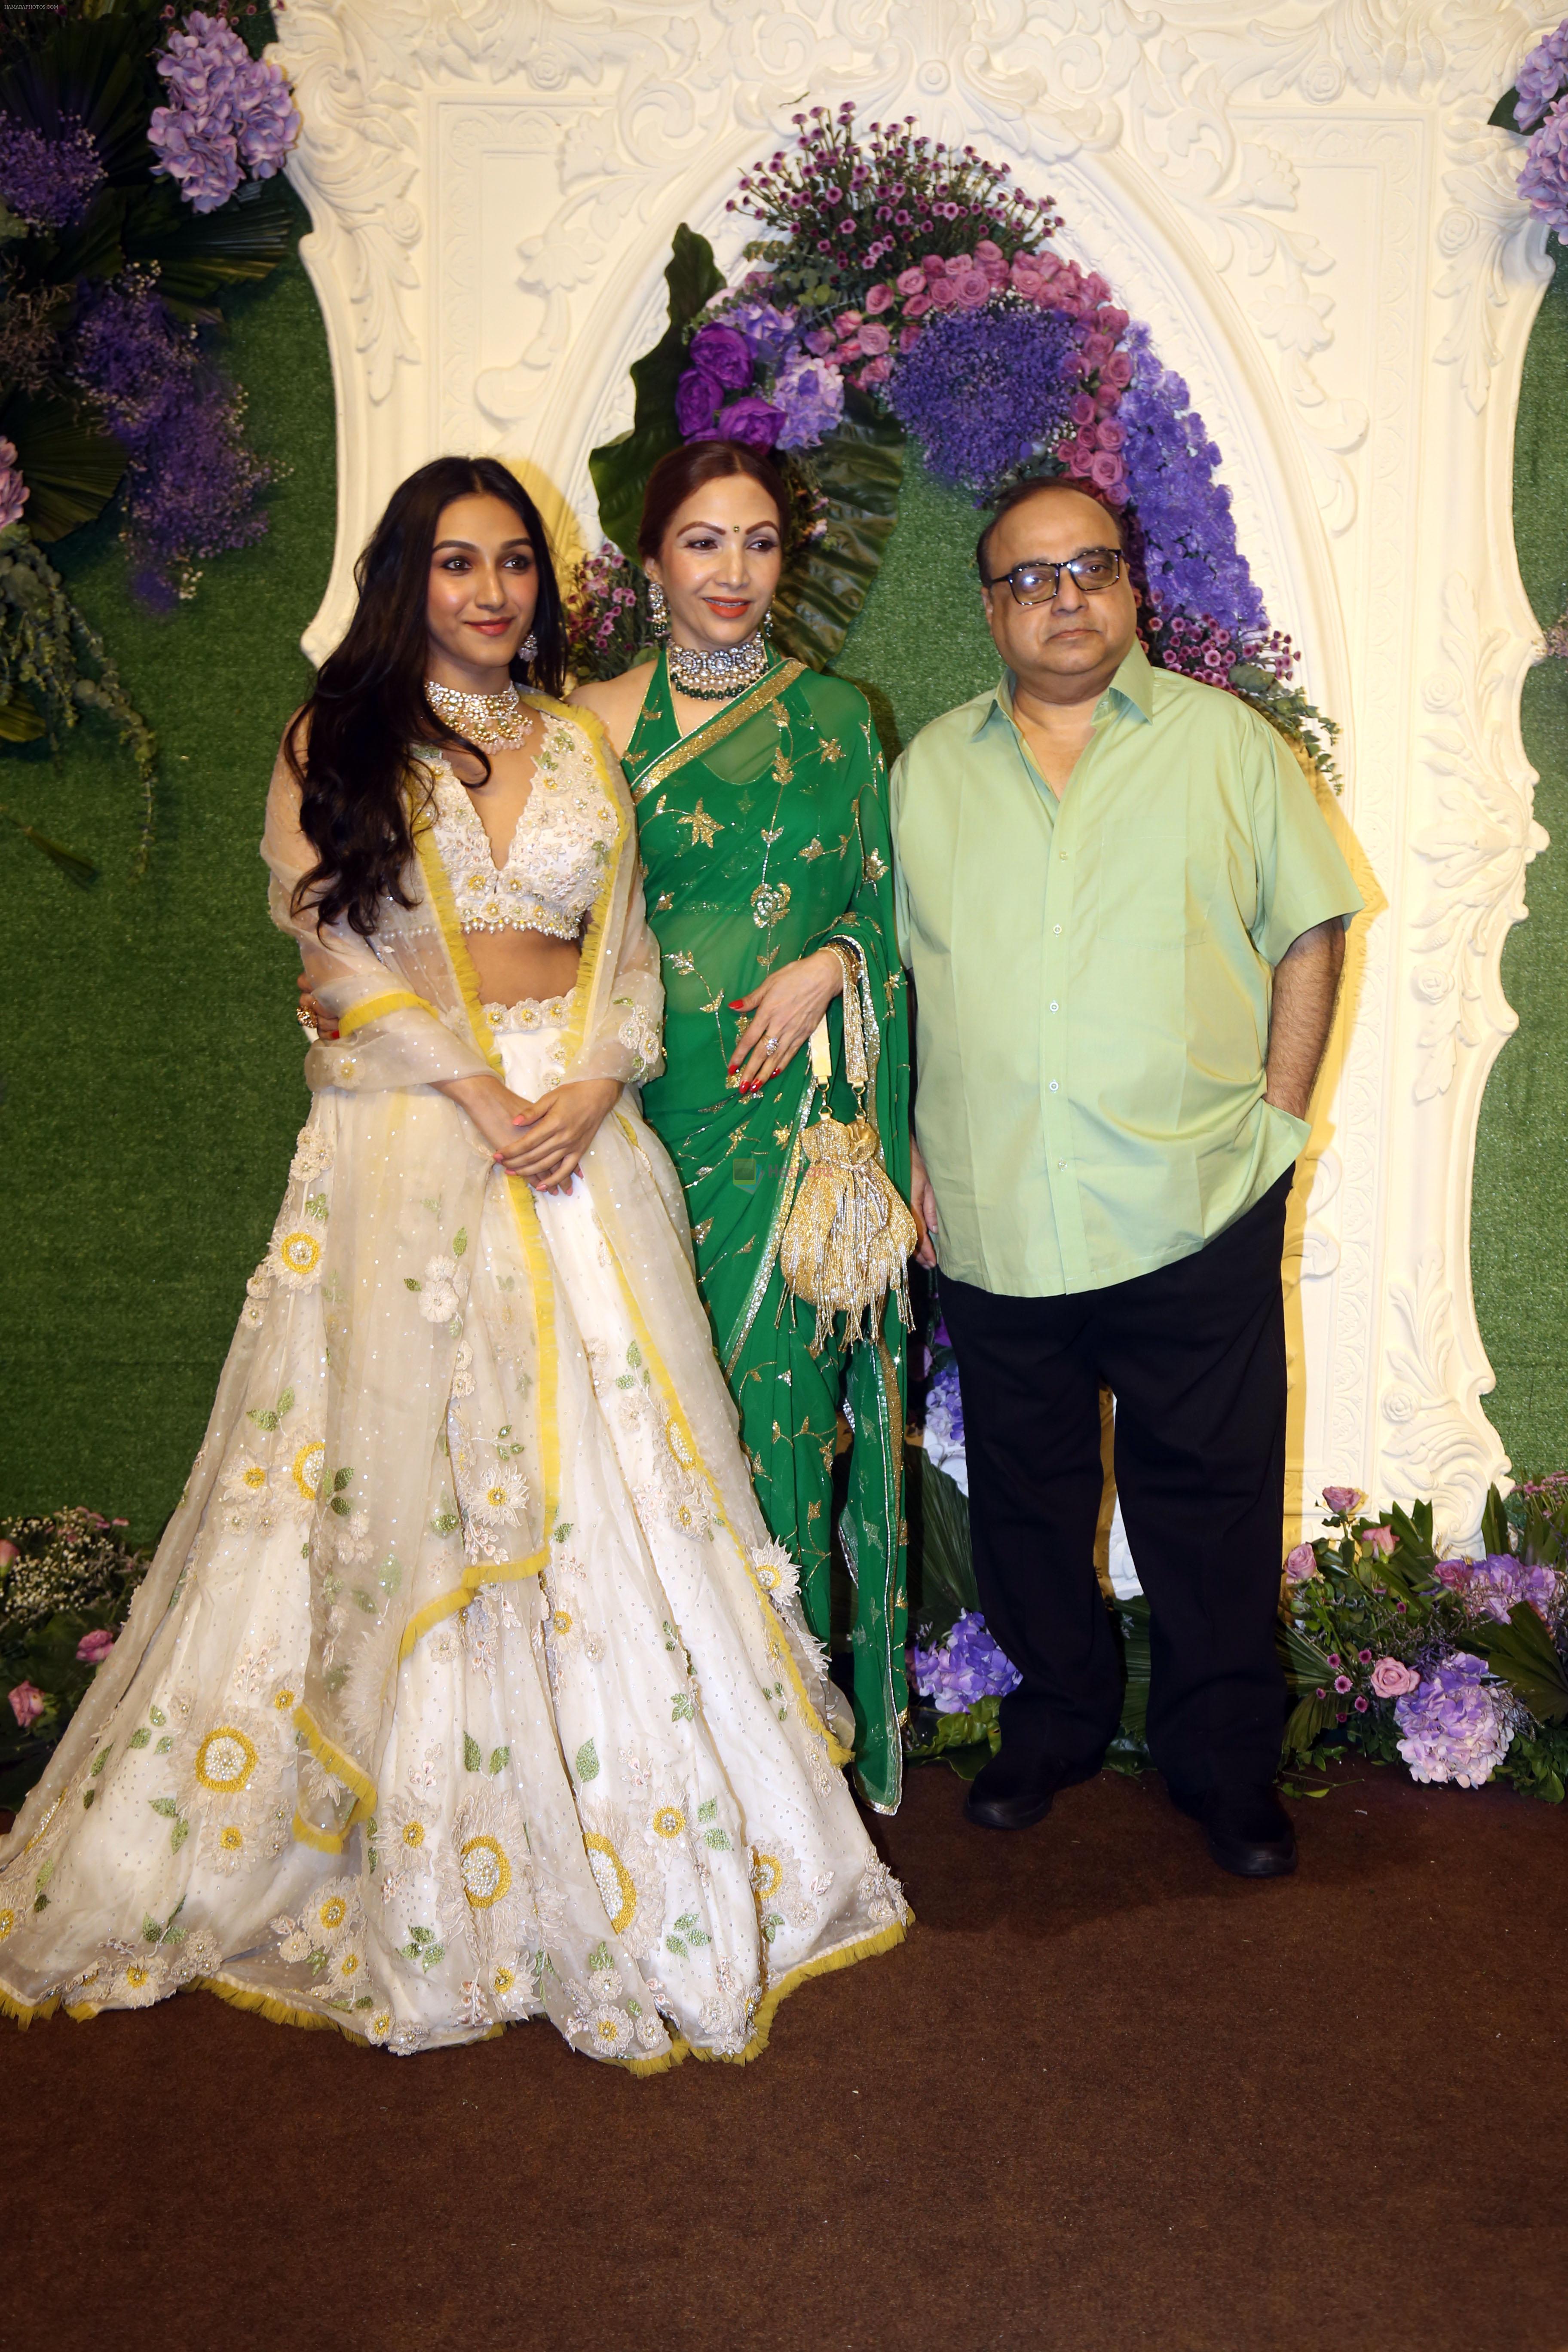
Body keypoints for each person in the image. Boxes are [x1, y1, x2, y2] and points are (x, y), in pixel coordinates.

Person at [0, 457, 908, 2062]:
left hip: (576, 1138)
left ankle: (624, 1841)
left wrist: (596, 1083)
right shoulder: (336, 739)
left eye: (515, 566)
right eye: (458, 563)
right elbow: (332, 949)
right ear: (405, 581)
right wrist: (478, 1091)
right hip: (417, 1133)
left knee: (606, 1477)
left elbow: (626, 952)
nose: (492, 593)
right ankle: (415, 1845)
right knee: (405, 1465)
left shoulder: (574, 741)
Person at [894, 477, 1363, 1877]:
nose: (1066, 598)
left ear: (1132, 585)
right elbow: (896, 978)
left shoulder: (1226, 745)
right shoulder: (929, 772)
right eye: (1031, 578)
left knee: (1208, 1502)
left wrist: (1278, 1122)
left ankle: (1222, 1761)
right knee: (1027, 1499)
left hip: (1193, 1201)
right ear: (990, 609)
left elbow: (1311, 926)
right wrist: (908, 1151)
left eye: (1090, 567)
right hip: (994, 1205)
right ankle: (1057, 1720)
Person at [573, 441, 914, 1816]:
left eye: (760, 542)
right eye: (703, 541)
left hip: (797, 1132)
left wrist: (836, 961)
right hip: (635, 1126)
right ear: (652, 560)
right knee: (641, 1425)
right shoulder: (588, 727)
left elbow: (890, 906)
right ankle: (660, 1772)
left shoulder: (838, 719)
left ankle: (794, 1775)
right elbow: (538, 918)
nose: (733, 571)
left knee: (783, 1419)